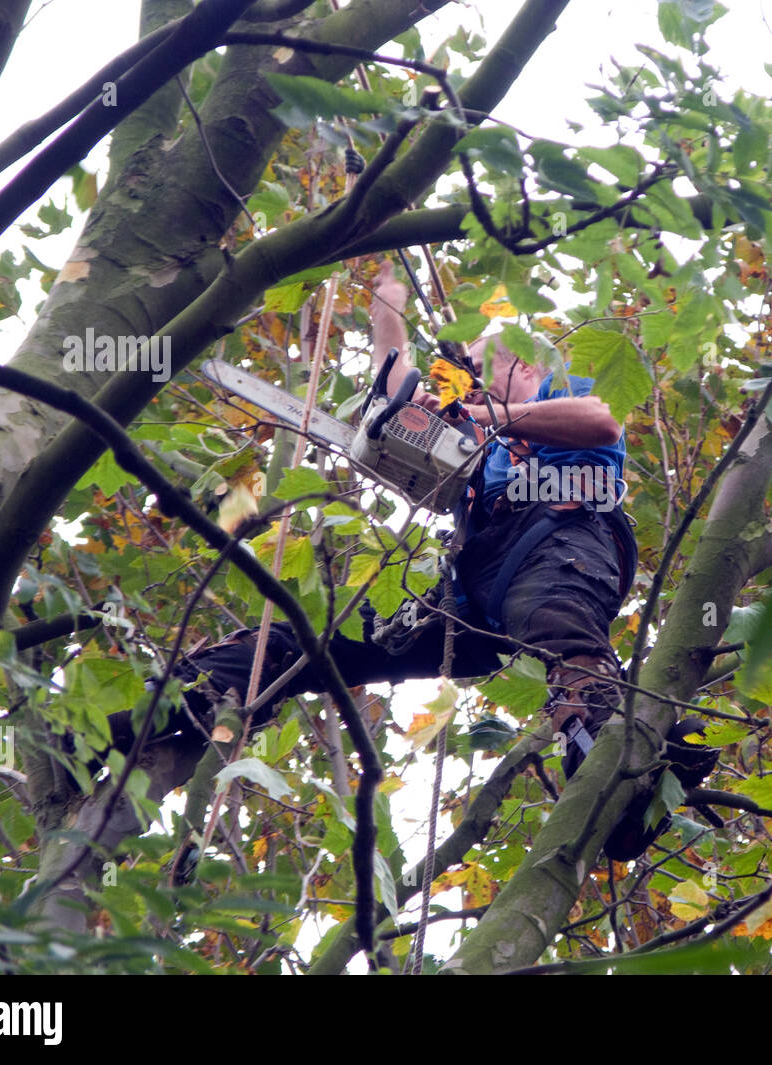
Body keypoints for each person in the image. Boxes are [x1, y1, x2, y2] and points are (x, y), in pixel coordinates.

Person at [118, 260, 713, 859]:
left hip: (560, 543)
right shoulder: (483, 445)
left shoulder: (562, 393)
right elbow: (393, 383)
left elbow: (602, 421)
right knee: (315, 646)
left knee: (555, 622)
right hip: (475, 595)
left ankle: (625, 767)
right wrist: (387, 299)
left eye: (480, 374)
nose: (470, 389)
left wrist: (479, 415)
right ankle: (166, 702)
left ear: (524, 363)